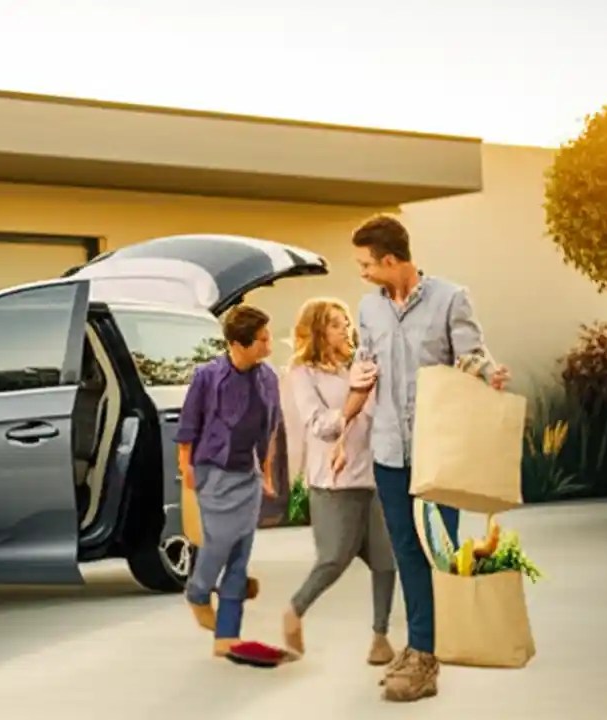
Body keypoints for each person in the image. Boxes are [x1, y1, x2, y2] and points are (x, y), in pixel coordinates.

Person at [344, 215, 510, 702]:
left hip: (439, 451)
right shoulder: (369, 309)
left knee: (438, 551)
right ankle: (421, 647)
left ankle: (426, 654)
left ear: (391, 260)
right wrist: (350, 401)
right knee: (406, 552)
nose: (363, 273)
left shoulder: (450, 299)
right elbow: (364, 362)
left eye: (367, 264)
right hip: (390, 452)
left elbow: (471, 356)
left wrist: (488, 372)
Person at [280, 298, 396, 665]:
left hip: (375, 474)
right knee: (333, 558)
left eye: (346, 321)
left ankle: (380, 637)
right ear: (317, 331)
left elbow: (378, 412)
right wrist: (352, 406)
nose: (344, 328)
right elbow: (319, 424)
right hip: (334, 481)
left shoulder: (360, 365)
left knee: (385, 559)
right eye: (334, 323)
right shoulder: (303, 373)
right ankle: (294, 611)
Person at [175, 304, 279, 658]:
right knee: (218, 544)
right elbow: (188, 426)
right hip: (213, 471)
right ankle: (198, 590)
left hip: (246, 476)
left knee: (240, 555)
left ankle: (227, 635)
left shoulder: (269, 378)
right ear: (239, 343)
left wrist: (265, 473)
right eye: (262, 339)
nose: (269, 346)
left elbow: (270, 429)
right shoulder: (207, 376)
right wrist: (186, 467)